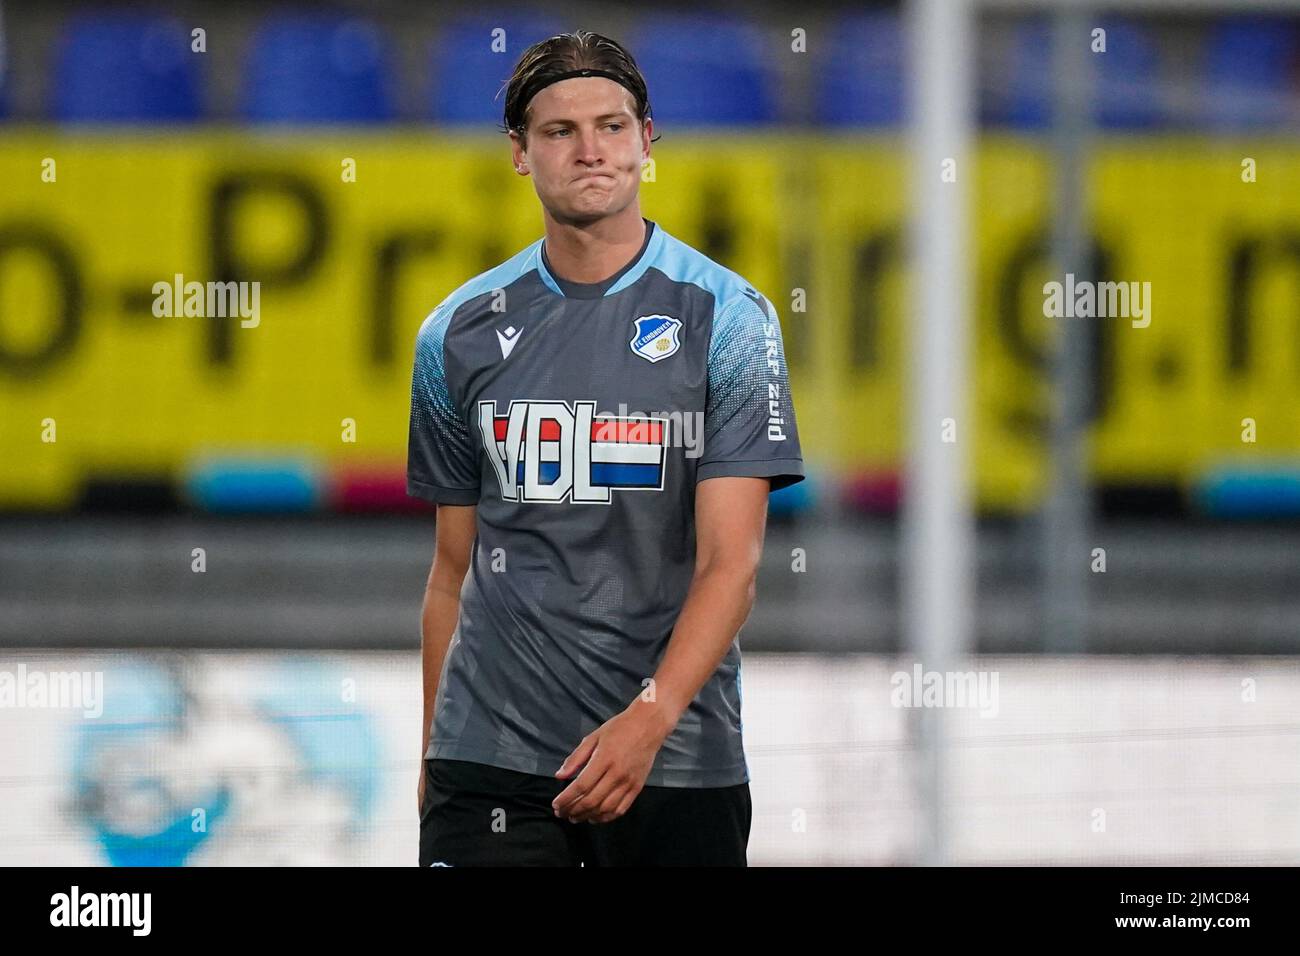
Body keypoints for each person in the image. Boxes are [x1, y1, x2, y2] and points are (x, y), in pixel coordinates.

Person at [408, 30, 803, 866]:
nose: (591, 150)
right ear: (518, 152)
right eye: (559, 131)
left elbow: (730, 566)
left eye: (613, 126)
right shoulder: (455, 333)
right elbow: (451, 571)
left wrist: (648, 721)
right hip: (491, 768)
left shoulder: (730, 321)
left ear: (647, 140)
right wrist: (433, 758)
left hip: (677, 762)